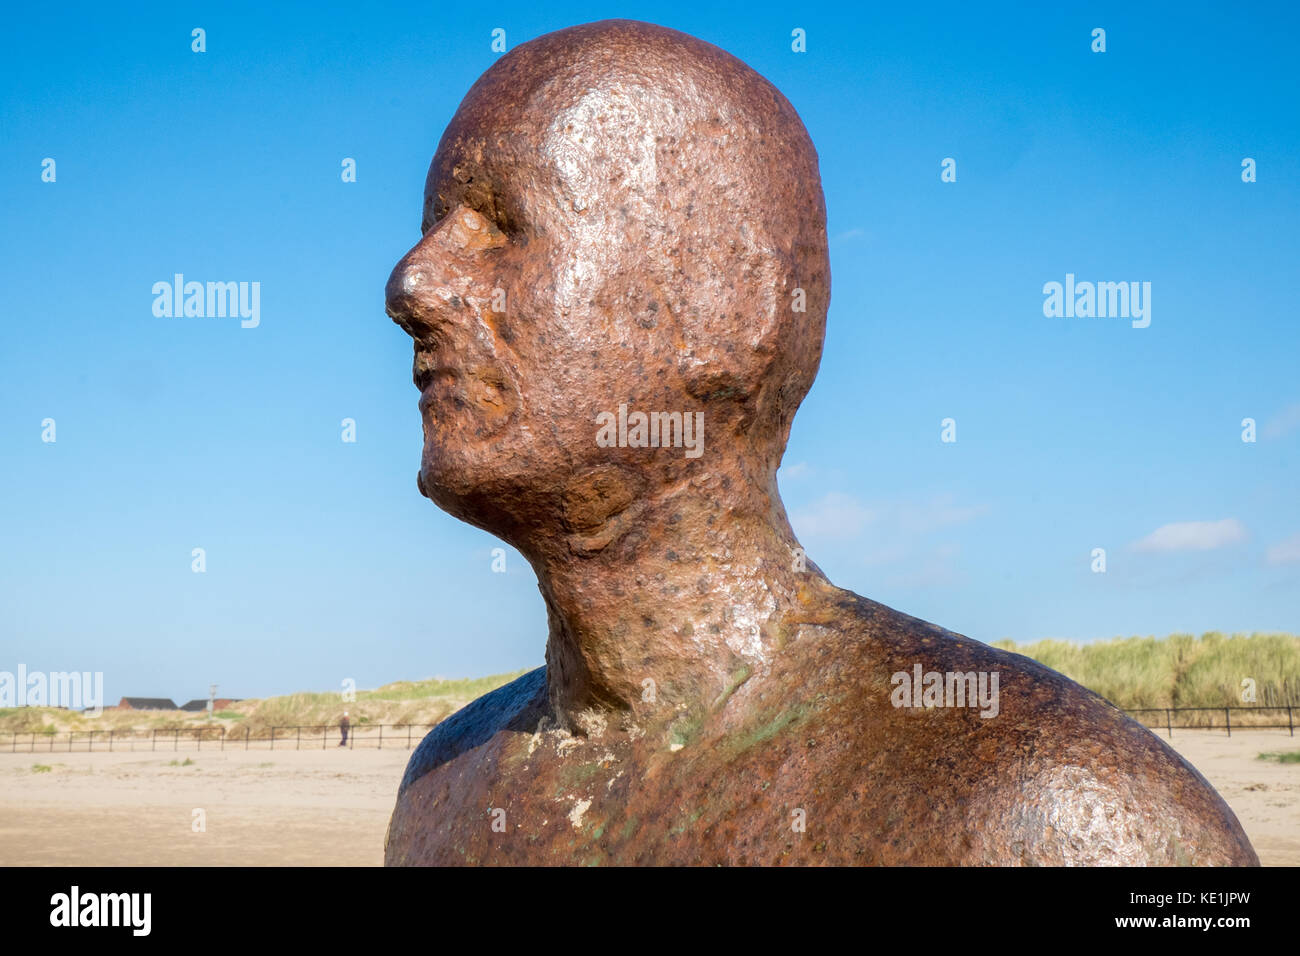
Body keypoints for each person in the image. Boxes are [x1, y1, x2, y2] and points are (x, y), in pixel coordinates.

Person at [382, 20, 1257, 866]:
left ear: (732, 303)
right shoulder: (444, 791)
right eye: (431, 228)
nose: (411, 282)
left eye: (501, 228)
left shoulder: (1060, 819)